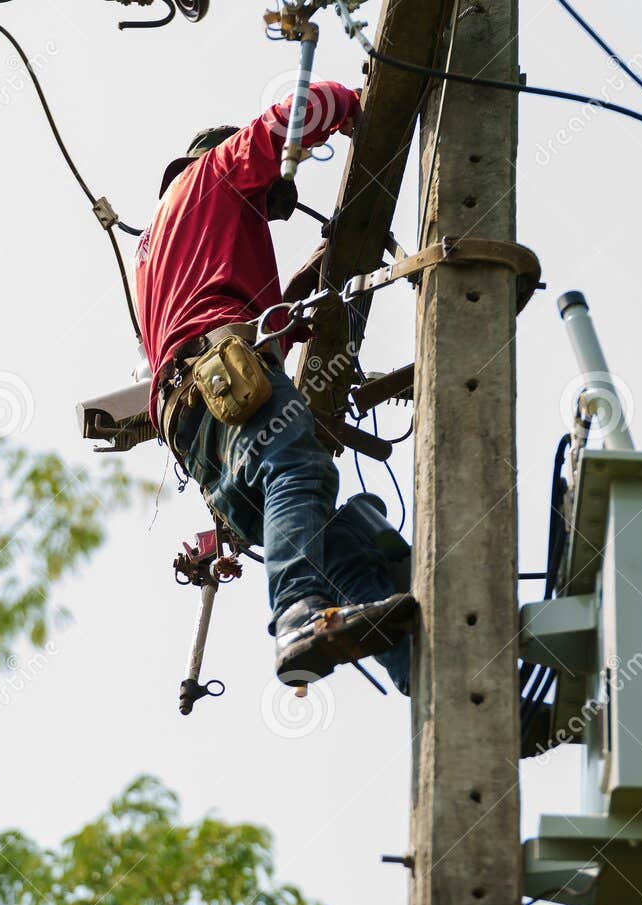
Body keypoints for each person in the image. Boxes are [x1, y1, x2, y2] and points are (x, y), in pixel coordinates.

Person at [135, 81, 414, 693]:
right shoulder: (212, 174)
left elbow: (215, 313)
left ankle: (422, 670)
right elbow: (282, 123)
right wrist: (359, 101)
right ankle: (297, 617)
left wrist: (294, 300)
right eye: (263, 199)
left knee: (334, 541)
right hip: (221, 379)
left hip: (196, 426)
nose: (263, 208)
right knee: (297, 466)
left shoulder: (157, 252)